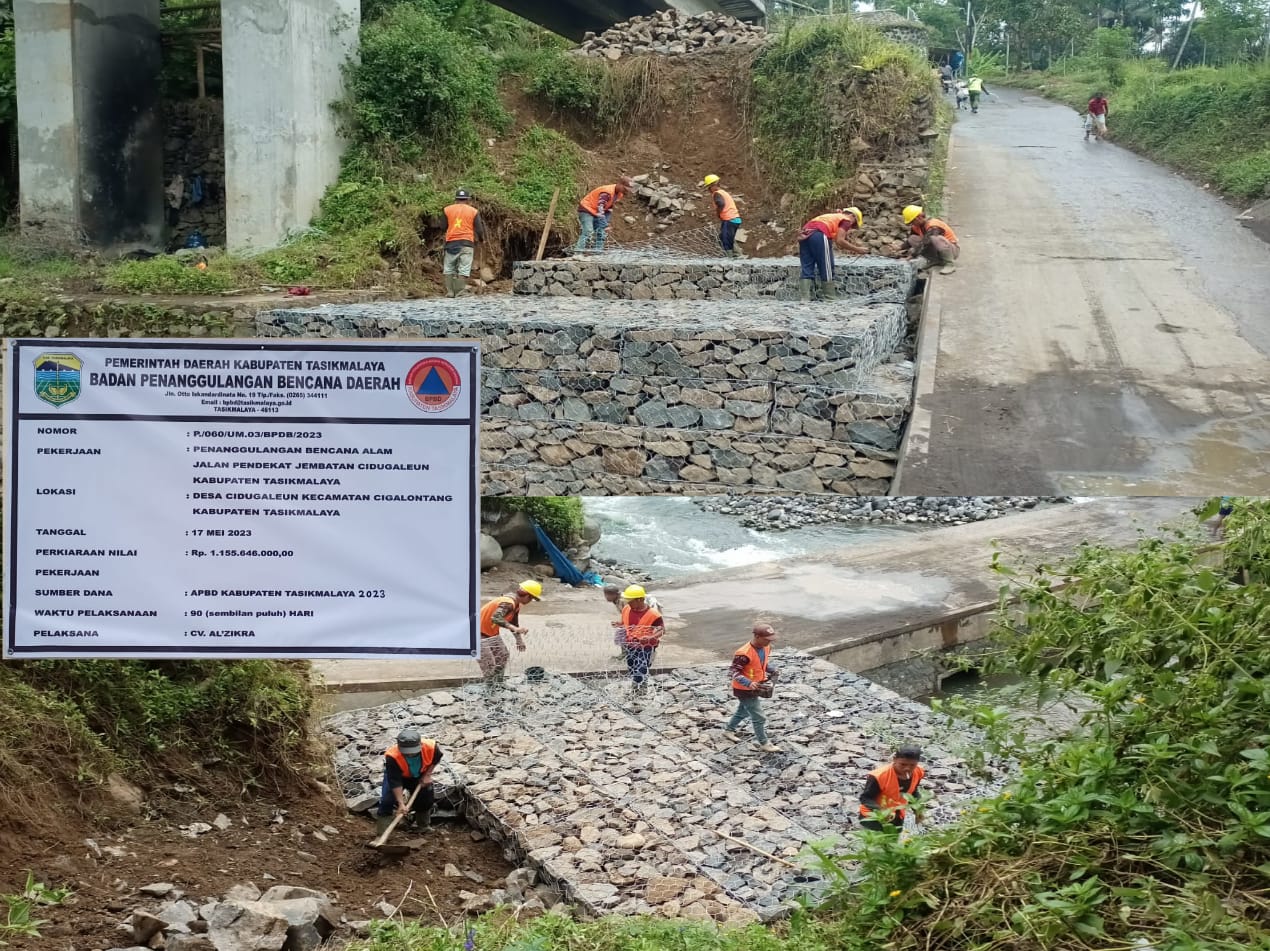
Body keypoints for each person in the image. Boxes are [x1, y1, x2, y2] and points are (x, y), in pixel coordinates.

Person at [724, 623, 782, 753]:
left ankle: (728, 730)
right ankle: (764, 743)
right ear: (757, 636)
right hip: (744, 690)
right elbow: (733, 672)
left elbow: (762, 664)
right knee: (759, 717)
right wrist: (748, 683)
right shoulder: (743, 653)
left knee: (743, 711)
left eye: (771, 639)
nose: (769, 641)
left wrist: (772, 670)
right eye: (767, 639)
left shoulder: (766, 648)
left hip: (756, 686)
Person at [375, 728, 442, 836]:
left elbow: (436, 758)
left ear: (420, 745)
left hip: (419, 774)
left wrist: (428, 775)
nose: (410, 755)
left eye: (413, 752)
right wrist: (401, 803)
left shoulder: (431, 747)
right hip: (398, 776)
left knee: (425, 800)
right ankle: (382, 834)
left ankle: (423, 827)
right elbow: (395, 781)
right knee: (387, 801)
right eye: (407, 753)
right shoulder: (392, 756)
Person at [797, 207, 868, 303]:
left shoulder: (831, 216)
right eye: (854, 223)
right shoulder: (846, 220)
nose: (851, 226)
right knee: (826, 266)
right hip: (819, 235)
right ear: (852, 216)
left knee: (807, 266)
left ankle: (804, 299)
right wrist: (858, 249)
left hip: (804, 235)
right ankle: (830, 298)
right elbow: (840, 240)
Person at [477, 579, 542, 683]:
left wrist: (519, 639)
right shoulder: (508, 603)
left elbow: (514, 622)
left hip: (490, 633)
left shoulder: (516, 605)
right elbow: (496, 618)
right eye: (532, 598)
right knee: (489, 663)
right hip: (476, 633)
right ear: (527, 596)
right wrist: (515, 629)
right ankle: (490, 690)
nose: (530, 601)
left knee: (502, 656)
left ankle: (498, 683)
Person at [859, 745, 925, 832]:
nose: (907, 768)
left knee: (893, 841)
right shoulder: (879, 776)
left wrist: (918, 810)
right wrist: (882, 812)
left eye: (912, 765)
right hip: (874, 817)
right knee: (875, 841)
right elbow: (866, 798)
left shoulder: (918, 772)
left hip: (898, 815)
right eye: (903, 764)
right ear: (894, 759)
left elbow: (913, 792)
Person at [611, 584, 664, 690]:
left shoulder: (653, 614)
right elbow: (625, 622)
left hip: (646, 648)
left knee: (641, 669)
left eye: (630, 601)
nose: (628, 603)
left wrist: (650, 637)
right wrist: (619, 624)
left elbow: (661, 630)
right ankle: (636, 687)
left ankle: (640, 691)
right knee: (631, 667)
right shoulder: (627, 608)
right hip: (630, 644)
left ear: (640, 599)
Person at [441, 189, 485, 298]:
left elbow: (442, 227)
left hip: (451, 243)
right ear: (467, 200)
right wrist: (481, 239)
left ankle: (450, 292)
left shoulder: (447, 210)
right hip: (466, 243)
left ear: (456, 199)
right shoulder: (473, 211)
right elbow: (479, 229)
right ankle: (459, 292)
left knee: (449, 268)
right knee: (464, 268)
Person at [603, 583, 660, 659]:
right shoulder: (617, 600)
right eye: (605, 594)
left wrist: (629, 624)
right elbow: (626, 613)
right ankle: (626, 652)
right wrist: (621, 623)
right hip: (641, 615)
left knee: (645, 633)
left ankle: (648, 651)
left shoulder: (624, 600)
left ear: (615, 594)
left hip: (647, 615)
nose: (606, 597)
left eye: (608, 595)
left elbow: (634, 611)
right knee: (622, 633)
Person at [576, 178, 633, 253]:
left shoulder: (619, 194)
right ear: (620, 184)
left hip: (596, 211)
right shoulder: (607, 192)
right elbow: (600, 209)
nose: (626, 192)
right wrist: (604, 225)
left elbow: (609, 208)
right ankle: (577, 253)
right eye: (625, 189)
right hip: (586, 209)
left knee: (601, 233)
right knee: (588, 231)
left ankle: (597, 254)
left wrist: (606, 222)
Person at [901, 205, 960, 276]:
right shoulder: (916, 227)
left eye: (912, 222)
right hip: (936, 251)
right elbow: (910, 241)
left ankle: (949, 264)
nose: (912, 224)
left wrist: (910, 257)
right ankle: (934, 260)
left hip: (952, 250)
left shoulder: (933, 225)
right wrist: (899, 248)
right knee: (913, 238)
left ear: (918, 218)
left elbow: (926, 242)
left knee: (935, 238)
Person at [700, 174, 743, 257]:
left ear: (713, 185)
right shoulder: (723, 192)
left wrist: (718, 213)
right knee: (727, 237)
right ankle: (738, 255)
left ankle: (730, 259)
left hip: (729, 219)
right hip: (735, 219)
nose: (709, 190)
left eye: (709, 187)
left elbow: (721, 204)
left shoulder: (717, 194)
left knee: (726, 240)